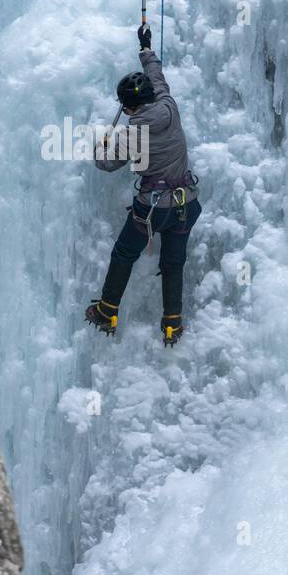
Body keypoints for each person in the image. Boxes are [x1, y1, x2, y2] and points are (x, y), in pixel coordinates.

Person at [86, 24, 201, 345]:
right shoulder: (169, 105)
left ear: (130, 108)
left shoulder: (133, 134)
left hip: (152, 209)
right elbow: (157, 74)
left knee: (124, 253)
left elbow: (106, 163)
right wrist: (145, 48)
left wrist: (100, 145)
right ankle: (172, 323)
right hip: (185, 205)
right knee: (173, 261)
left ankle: (107, 310)